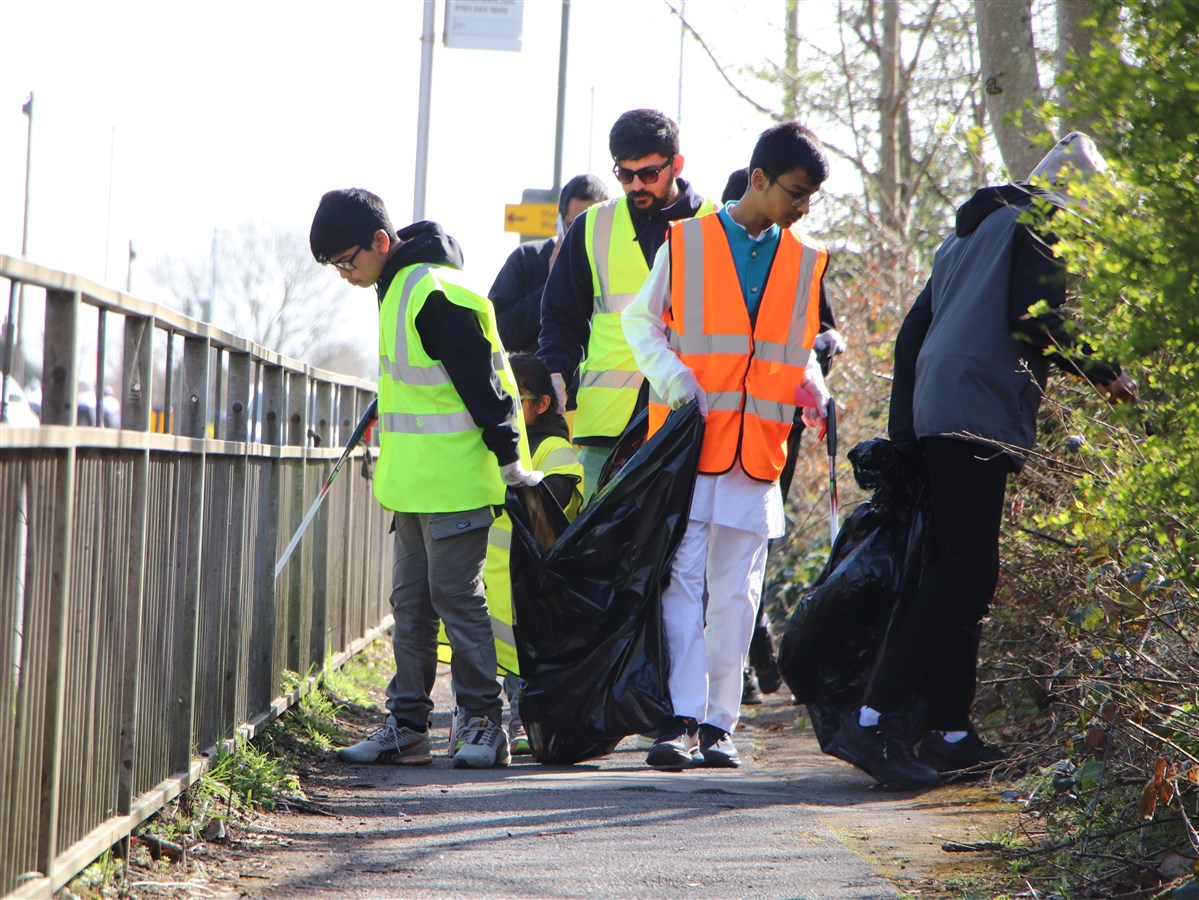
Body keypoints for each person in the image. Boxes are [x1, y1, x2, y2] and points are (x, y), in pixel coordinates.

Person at [829, 133, 1139, 789]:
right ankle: (872, 720)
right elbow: (1035, 319)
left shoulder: (965, 234)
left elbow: (914, 330)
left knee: (958, 570)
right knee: (963, 570)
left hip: (943, 404)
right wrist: (1105, 374)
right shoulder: (1039, 222)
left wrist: (906, 432)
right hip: (976, 407)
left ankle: (948, 731)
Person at [622, 122, 835, 769]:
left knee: (737, 591)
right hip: (690, 445)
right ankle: (680, 718)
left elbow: (792, 348)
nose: (803, 207)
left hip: (757, 449)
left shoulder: (804, 260)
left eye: (810, 198)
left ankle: (719, 724)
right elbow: (640, 320)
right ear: (760, 180)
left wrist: (816, 393)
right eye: (795, 193)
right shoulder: (684, 244)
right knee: (682, 583)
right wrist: (677, 379)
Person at [309, 188, 542, 770]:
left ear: (380, 243)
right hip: (415, 483)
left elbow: (480, 381)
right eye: (335, 266)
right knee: (411, 604)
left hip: (460, 477)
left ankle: (486, 722)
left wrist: (510, 456)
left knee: (457, 599)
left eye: (346, 261)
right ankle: (408, 726)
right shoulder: (397, 288)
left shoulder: (433, 291)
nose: (343, 274)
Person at [539, 109, 717, 503]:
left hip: (688, 420)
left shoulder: (717, 226)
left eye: (650, 174)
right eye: (625, 174)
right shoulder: (590, 226)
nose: (637, 185)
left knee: (677, 558)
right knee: (595, 553)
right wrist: (554, 374)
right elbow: (560, 318)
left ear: (677, 165)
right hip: (607, 427)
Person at [719, 167, 848, 707]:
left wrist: (825, 350)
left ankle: (749, 658)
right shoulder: (705, 256)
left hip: (775, 428)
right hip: (714, 424)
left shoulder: (797, 259)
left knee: (755, 541)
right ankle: (740, 664)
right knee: (709, 552)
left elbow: (823, 327)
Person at [496, 353, 585, 754]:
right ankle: (506, 719)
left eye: (517, 398)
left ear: (543, 403)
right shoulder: (502, 442)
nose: (506, 407)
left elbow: (552, 506)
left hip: (540, 577)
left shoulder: (554, 448)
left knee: (528, 653)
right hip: (505, 570)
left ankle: (524, 720)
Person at [489, 175, 610, 354]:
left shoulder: (621, 263)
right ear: (560, 223)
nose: (582, 235)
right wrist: (553, 284)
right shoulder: (527, 259)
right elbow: (499, 334)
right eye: (574, 225)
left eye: (594, 226)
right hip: (543, 379)